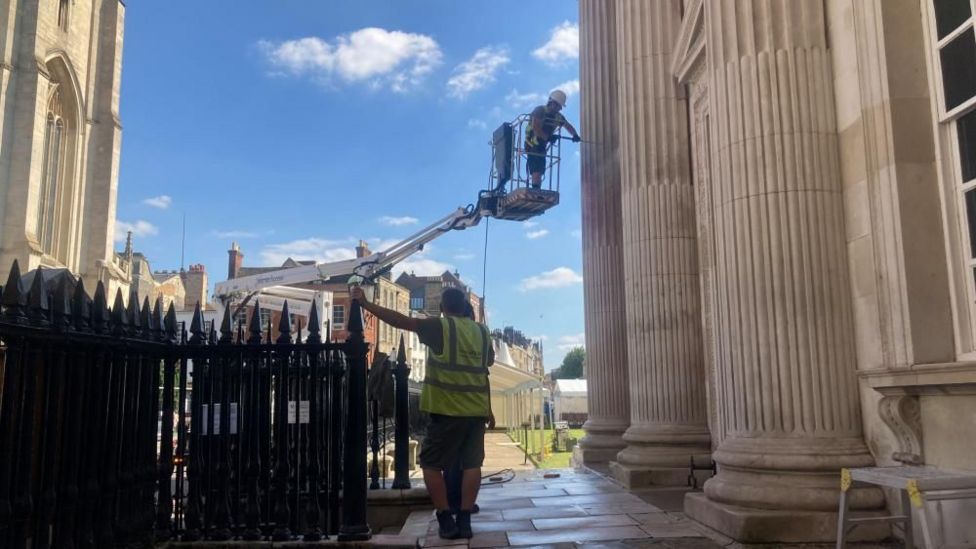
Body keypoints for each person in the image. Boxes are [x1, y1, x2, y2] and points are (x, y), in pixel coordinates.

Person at [349, 285, 494, 540]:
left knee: (429, 463)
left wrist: (366, 305)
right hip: (476, 411)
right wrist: (489, 409)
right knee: (472, 465)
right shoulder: (483, 332)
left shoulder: (441, 327)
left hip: (447, 409)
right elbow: (486, 367)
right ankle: (465, 520)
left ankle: (445, 518)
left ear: (442, 308)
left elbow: (401, 321)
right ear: (465, 307)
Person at [524, 89, 581, 188]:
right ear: (551, 102)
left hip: (542, 145)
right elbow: (536, 128)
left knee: (540, 168)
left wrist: (575, 135)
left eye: (560, 107)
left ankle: (536, 188)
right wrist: (548, 137)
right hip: (532, 144)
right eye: (558, 106)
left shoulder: (558, 117)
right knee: (536, 168)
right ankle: (535, 189)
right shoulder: (540, 111)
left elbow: (567, 126)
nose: (559, 109)